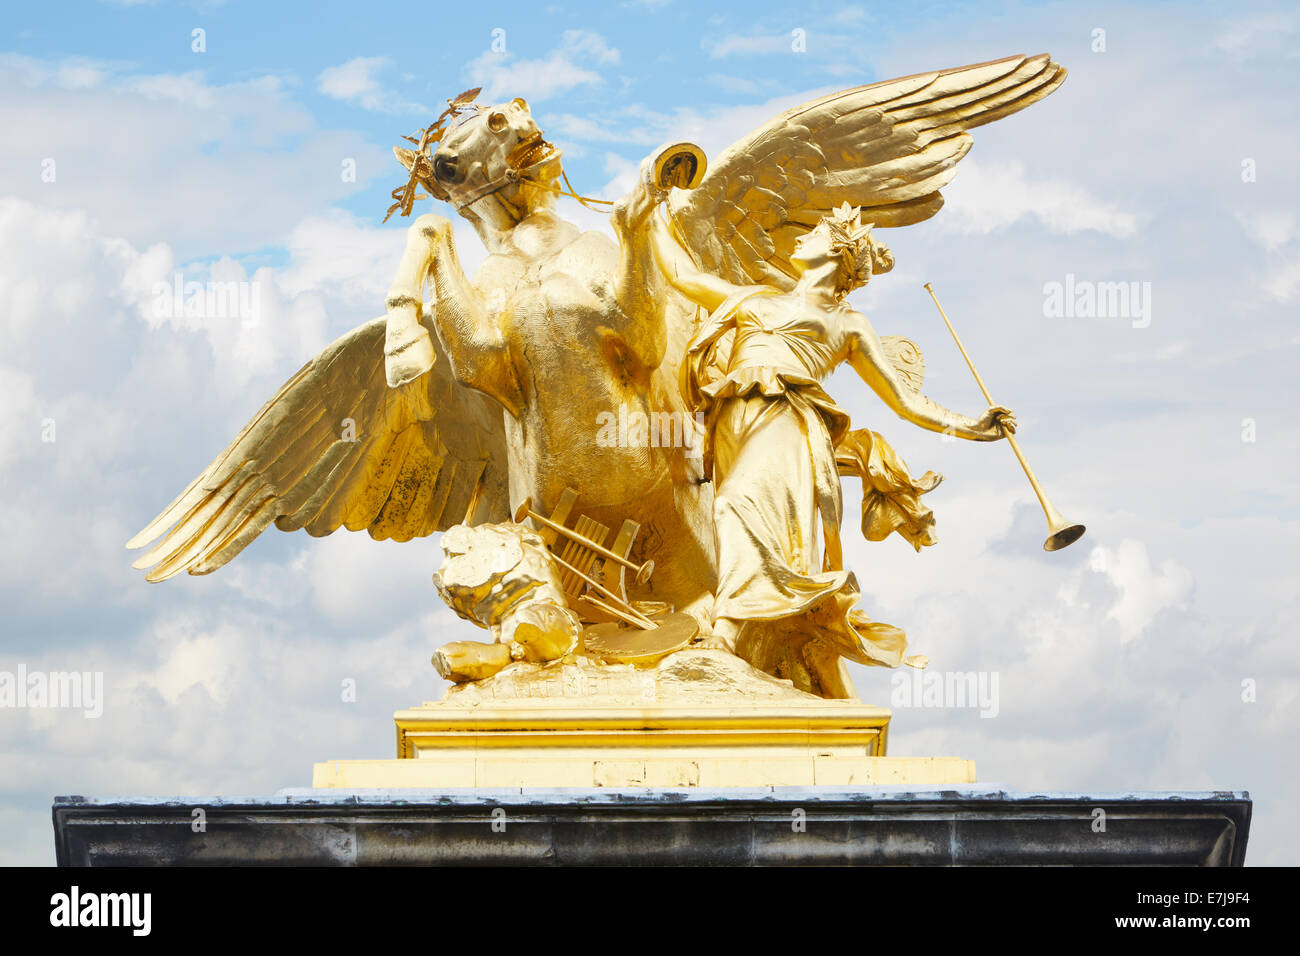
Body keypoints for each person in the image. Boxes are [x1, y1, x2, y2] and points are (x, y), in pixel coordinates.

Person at [648, 201, 1016, 698]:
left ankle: (728, 629)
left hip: (788, 423)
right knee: (728, 510)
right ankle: (775, 631)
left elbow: (904, 402)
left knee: (738, 503)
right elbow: (682, 274)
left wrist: (970, 426)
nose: (800, 239)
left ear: (837, 251)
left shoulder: (848, 324)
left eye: (814, 233)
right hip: (732, 422)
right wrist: (648, 211)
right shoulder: (753, 299)